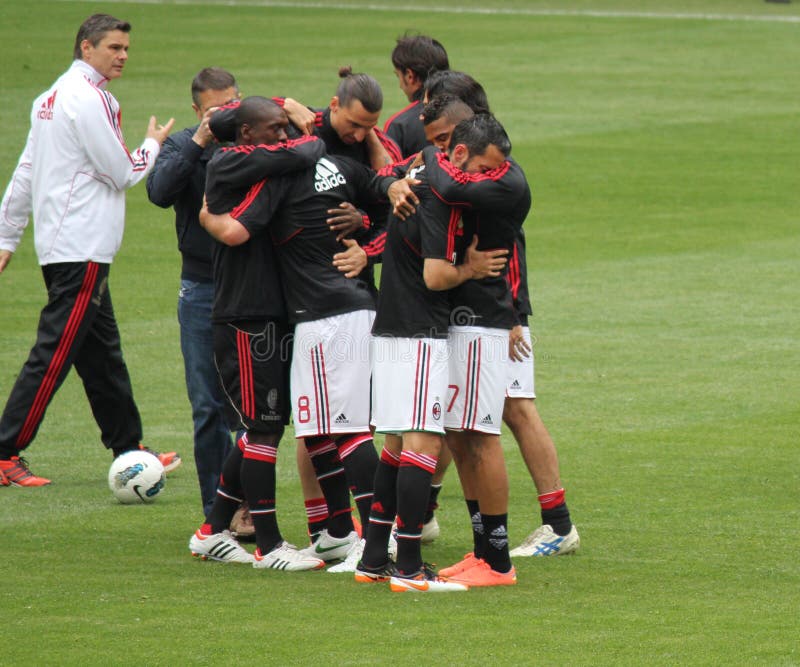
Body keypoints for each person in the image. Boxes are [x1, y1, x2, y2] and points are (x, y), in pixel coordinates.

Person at [199, 121, 418, 572]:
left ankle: (382, 537)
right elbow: (384, 190)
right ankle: (338, 532)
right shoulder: (344, 167)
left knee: (348, 428)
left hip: (329, 317)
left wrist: (207, 216)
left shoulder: (277, 180)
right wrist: (372, 229)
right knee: (317, 430)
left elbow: (238, 230)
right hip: (329, 315)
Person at [0, 13, 176, 486]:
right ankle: (3, 451)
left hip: (63, 244)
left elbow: (25, 171)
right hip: (83, 246)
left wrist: (7, 236)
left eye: (125, 49)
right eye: (113, 48)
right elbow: (123, 172)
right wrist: (152, 146)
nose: (121, 56)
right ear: (86, 47)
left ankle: (129, 446)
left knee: (102, 355)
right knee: (54, 353)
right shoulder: (94, 99)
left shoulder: (48, 99)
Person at [422, 94, 580, 558]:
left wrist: (513, 316)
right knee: (461, 419)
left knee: (505, 414)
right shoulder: (469, 156)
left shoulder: (501, 180)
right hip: (473, 315)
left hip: (497, 315)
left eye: (440, 140)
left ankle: (554, 524)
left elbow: (507, 250)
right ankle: (429, 512)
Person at [355, 129, 512, 592]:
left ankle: (372, 558)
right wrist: (472, 269)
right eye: (482, 168)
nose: (482, 180)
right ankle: (408, 567)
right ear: (458, 152)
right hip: (419, 331)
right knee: (423, 447)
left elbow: (378, 179)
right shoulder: (440, 196)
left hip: (390, 327)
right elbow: (436, 273)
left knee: (397, 446)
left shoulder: (414, 173)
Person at [188, 97, 329, 571]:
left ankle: (211, 531)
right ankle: (268, 545)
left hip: (270, 312)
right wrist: (306, 125)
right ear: (247, 134)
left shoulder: (256, 163)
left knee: (260, 427)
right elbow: (306, 152)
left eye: (285, 128)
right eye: (273, 129)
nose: (283, 136)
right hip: (245, 314)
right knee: (263, 428)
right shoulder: (230, 160)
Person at [146, 67, 241, 519]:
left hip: (248, 287)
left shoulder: (255, 141)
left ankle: (248, 505)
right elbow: (158, 192)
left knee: (247, 408)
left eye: (232, 106)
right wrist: (200, 142)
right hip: (201, 286)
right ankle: (215, 512)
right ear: (197, 111)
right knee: (207, 406)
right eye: (214, 111)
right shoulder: (186, 145)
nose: (225, 118)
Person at [383, 33, 449, 157]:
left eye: (398, 76)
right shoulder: (469, 109)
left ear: (410, 76)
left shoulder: (400, 125)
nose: (400, 86)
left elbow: (387, 172)